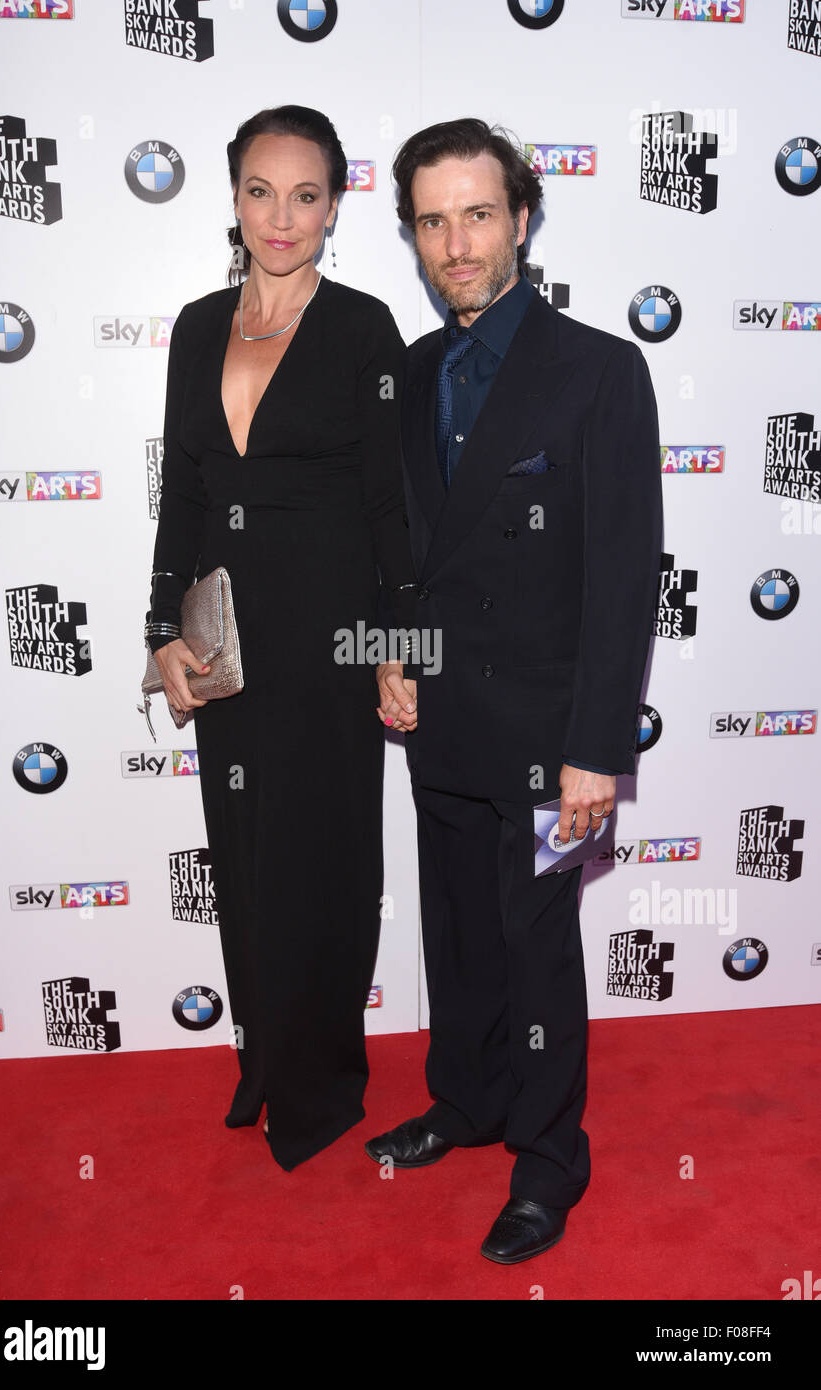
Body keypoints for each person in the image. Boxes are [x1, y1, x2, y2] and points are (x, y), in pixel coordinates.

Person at [364, 118, 663, 1262]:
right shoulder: (416, 371)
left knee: (536, 943)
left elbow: (624, 570)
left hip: (551, 735)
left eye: (477, 213)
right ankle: (469, 1100)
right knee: (457, 934)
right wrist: (388, 650)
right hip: (440, 720)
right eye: (432, 221)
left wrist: (598, 748)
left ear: (523, 219)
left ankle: (548, 1158)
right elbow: (404, 547)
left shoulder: (597, 368)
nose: (457, 242)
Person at [144, 105, 418, 1171]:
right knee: (248, 850)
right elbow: (184, 490)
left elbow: (392, 501)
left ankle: (324, 1077)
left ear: (336, 206)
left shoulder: (364, 329)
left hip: (336, 629)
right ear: (234, 197)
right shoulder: (196, 325)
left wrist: (402, 642)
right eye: (262, 191)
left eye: (306, 195)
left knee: (328, 853)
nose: (282, 216)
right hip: (230, 639)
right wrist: (163, 625)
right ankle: (263, 1057)